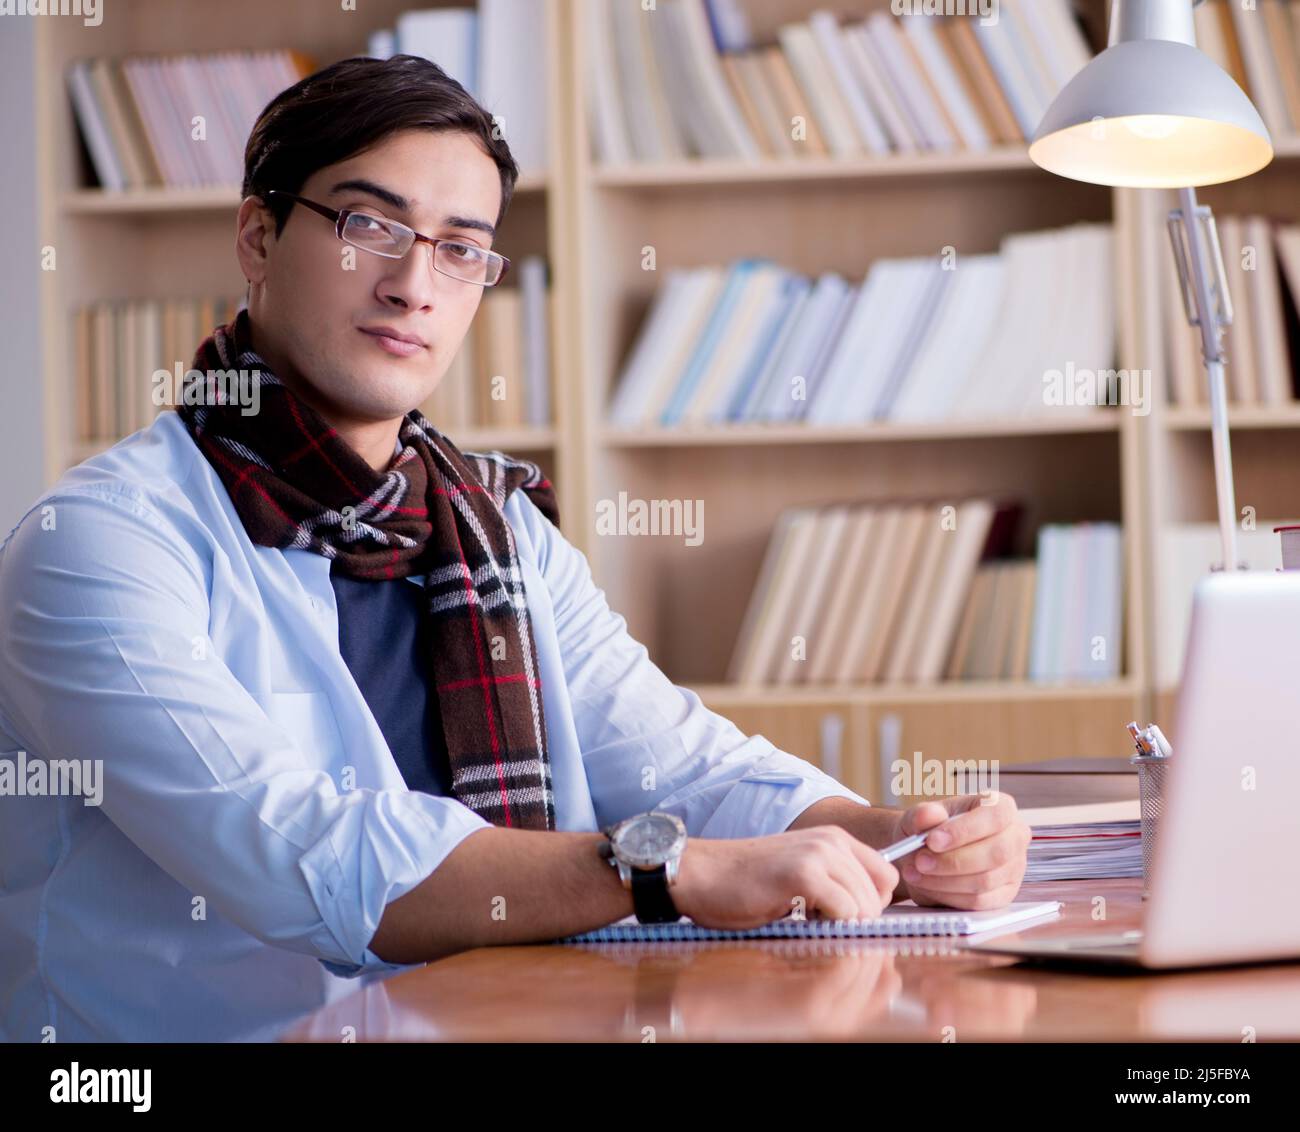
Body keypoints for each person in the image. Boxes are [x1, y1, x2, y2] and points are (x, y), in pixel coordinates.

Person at [0, 55, 1029, 1042]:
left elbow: (676, 757)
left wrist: (888, 836)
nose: (415, 284)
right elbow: (300, 852)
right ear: (259, 238)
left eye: (460, 248)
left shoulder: (495, 526)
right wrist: (654, 871)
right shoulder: (100, 543)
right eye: (369, 224)